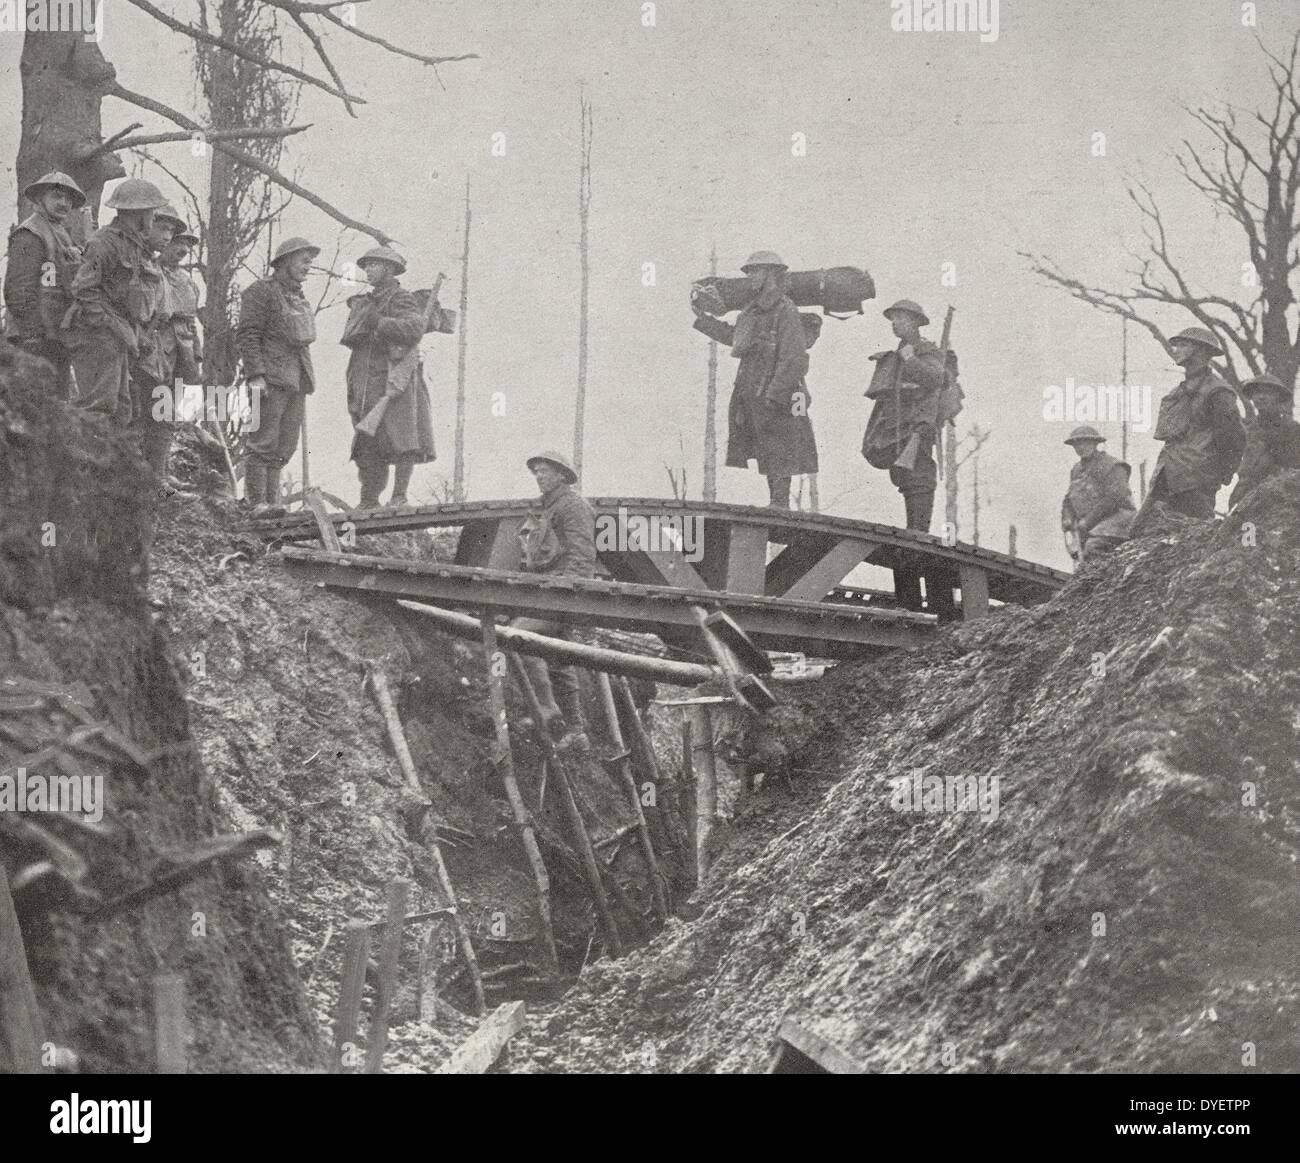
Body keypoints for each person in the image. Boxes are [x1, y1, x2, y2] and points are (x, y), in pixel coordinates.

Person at [691, 250, 818, 508]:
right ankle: (777, 501)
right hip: (754, 387)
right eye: (749, 272)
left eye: (756, 272)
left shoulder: (785, 309)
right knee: (766, 443)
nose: (750, 277)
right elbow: (737, 339)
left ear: (772, 274)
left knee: (782, 441)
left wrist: (776, 393)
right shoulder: (752, 310)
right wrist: (704, 322)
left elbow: (793, 357)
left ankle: (779, 502)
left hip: (780, 389)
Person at [340, 245, 442, 508]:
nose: (368, 270)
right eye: (367, 266)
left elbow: (414, 328)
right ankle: (369, 498)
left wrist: (378, 322)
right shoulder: (367, 300)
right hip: (365, 379)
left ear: (388, 269)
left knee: (401, 436)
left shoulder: (401, 298)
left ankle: (398, 496)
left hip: (393, 377)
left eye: (374, 265)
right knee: (368, 439)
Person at [64, 177, 168, 426]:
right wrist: (111, 326)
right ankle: (80, 464)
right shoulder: (105, 243)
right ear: (139, 213)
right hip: (96, 335)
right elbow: (83, 290)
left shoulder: (135, 246)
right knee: (97, 410)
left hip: (116, 337)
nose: (153, 218)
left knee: (121, 412)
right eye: (151, 212)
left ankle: (106, 464)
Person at [513, 450, 597, 743]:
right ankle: (576, 730)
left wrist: (564, 591)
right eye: (535, 471)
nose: (538, 476)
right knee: (558, 658)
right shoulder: (546, 508)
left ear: (562, 474)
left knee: (517, 637)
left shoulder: (573, 506)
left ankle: (546, 707)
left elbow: (583, 556)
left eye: (544, 471)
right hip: (549, 591)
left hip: (563, 594)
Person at [236, 235, 319, 517]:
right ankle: (256, 501)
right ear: (284, 261)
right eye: (303, 261)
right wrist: (255, 375)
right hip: (269, 378)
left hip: (296, 379)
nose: (308, 267)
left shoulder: (297, 297)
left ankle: (273, 504)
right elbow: (248, 334)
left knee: (285, 445)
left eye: (310, 262)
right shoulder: (261, 292)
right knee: (263, 440)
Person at [860, 299, 956, 532]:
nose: (895, 323)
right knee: (907, 478)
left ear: (915, 322)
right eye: (893, 319)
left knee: (919, 478)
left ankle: (918, 534)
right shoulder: (900, 352)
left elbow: (935, 378)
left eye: (901, 318)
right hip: (898, 428)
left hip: (917, 426)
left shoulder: (927, 350)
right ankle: (914, 534)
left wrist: (910, 359)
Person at [1145, 327, 1245, 520]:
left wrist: (1221, 474)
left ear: (1200, 350)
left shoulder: (1218, 392)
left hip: (1196, 480)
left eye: (1183, 345)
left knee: (1194, 535)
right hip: (1167, 476)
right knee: (1140, 531)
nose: (1176, 349)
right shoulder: (1179, 392)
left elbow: (1234, 438)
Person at [3, 171, 86, 399]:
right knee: (33, 404)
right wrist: (31, 335)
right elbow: (18, 289)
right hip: (35, 337)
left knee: (57, 406)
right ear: (40, 198)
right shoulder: (30, 233)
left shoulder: (62, 234)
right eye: (57, 196)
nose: (64, 203)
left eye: (68, 199)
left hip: (57, 334)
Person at [132, 203, 182, 478]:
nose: (167, 236)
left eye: (171, 231)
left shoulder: (155, 266)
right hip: (134, 350)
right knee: (135, 417)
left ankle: (158, 479)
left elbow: (164, 313)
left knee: (163, 417)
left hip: (156, 353)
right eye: (162, 227)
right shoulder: (133, 259)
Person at [1060, 425, 1135, 563]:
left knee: (1093, 547)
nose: (1080, 447)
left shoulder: (1112, 465)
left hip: (1118, 520)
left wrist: (1088, 521)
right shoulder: (1076, 470)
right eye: (1076, 444)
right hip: (1092, 526)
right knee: (1080, 553)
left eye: (1085, 442)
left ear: (1095, 443)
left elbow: (1115, 497)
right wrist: (1067, 518)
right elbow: (1069, 499)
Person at [1229, 374, 1300, 509]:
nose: (1261, 397)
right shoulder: (1249, 430)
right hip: (1244, 495)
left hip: (1278, 497)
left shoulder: (1291, 429)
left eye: (1267, 392)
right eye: (1257, 393)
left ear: (1278, 397)